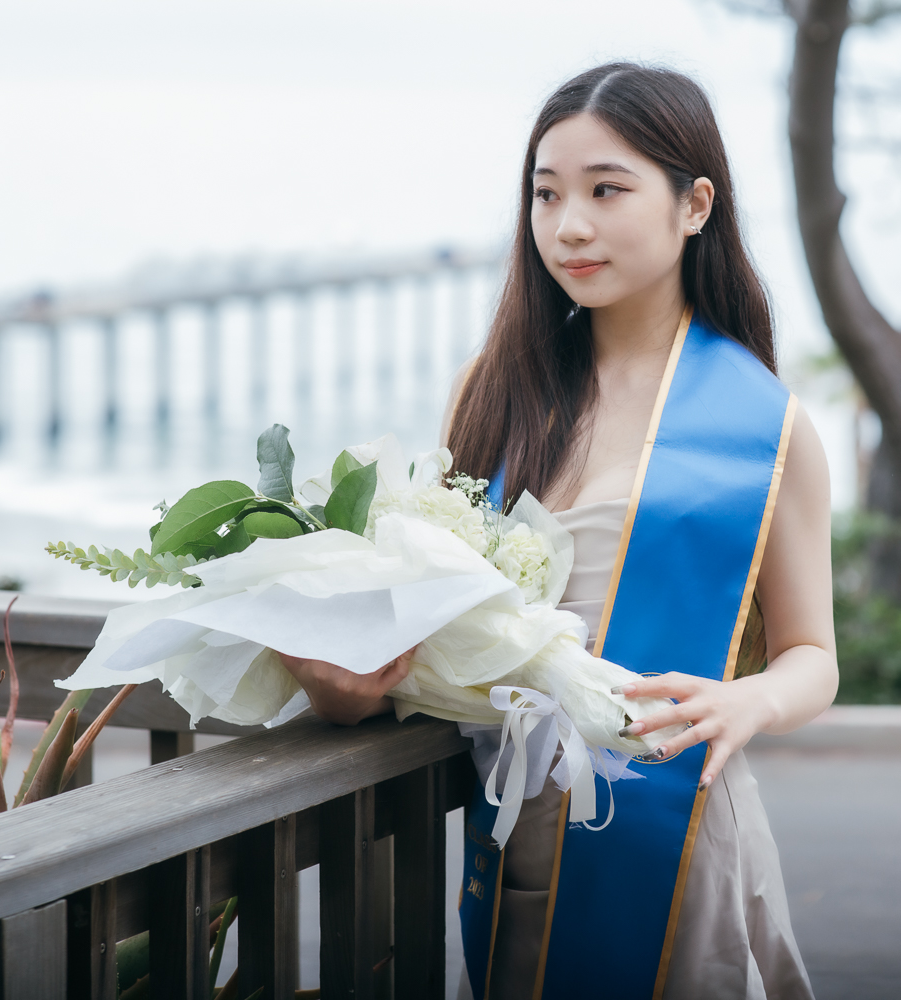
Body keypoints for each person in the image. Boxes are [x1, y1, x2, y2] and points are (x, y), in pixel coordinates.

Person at [286, 62, 837, 1000]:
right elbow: (446, 623)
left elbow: (812, 656)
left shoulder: (768, 429)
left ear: (695, 205)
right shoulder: (493, 390)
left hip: (676, 833)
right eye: (547, 195)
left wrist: (750, 702)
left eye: (605, 190)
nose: (569, 226)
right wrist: (348, 686)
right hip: (513, 817)